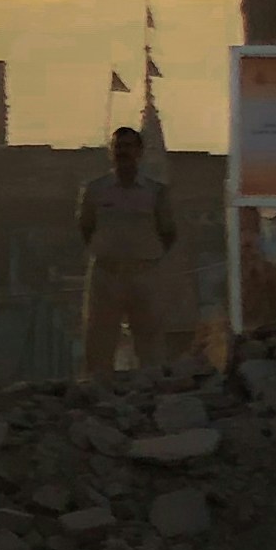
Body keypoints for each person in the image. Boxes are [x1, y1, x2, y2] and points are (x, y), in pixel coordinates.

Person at [76, 124, 182, 376]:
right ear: (110, 152)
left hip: (144, 274)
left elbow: (168, 232)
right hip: (106, 274)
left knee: (149, 342)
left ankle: (152, 388)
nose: (123, 152)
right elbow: (86, 228)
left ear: (139, 152)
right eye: (118, 147)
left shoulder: (155, 192)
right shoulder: (95, 190)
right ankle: (97, 390)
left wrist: (145, 256)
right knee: (99, 342)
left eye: (128, 147)